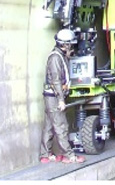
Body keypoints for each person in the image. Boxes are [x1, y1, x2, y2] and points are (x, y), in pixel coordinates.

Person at [38, 29, 85, 164]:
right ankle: (69, 155)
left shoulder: (60, 56)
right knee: (61, 126)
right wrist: (61, 100)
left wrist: (68, 56)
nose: (71, 47)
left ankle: (45, 154)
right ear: (65, 44)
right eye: (70, 44)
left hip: (50, 97)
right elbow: (56, 81)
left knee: (49, 126)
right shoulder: (55, 58)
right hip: (53, 97)